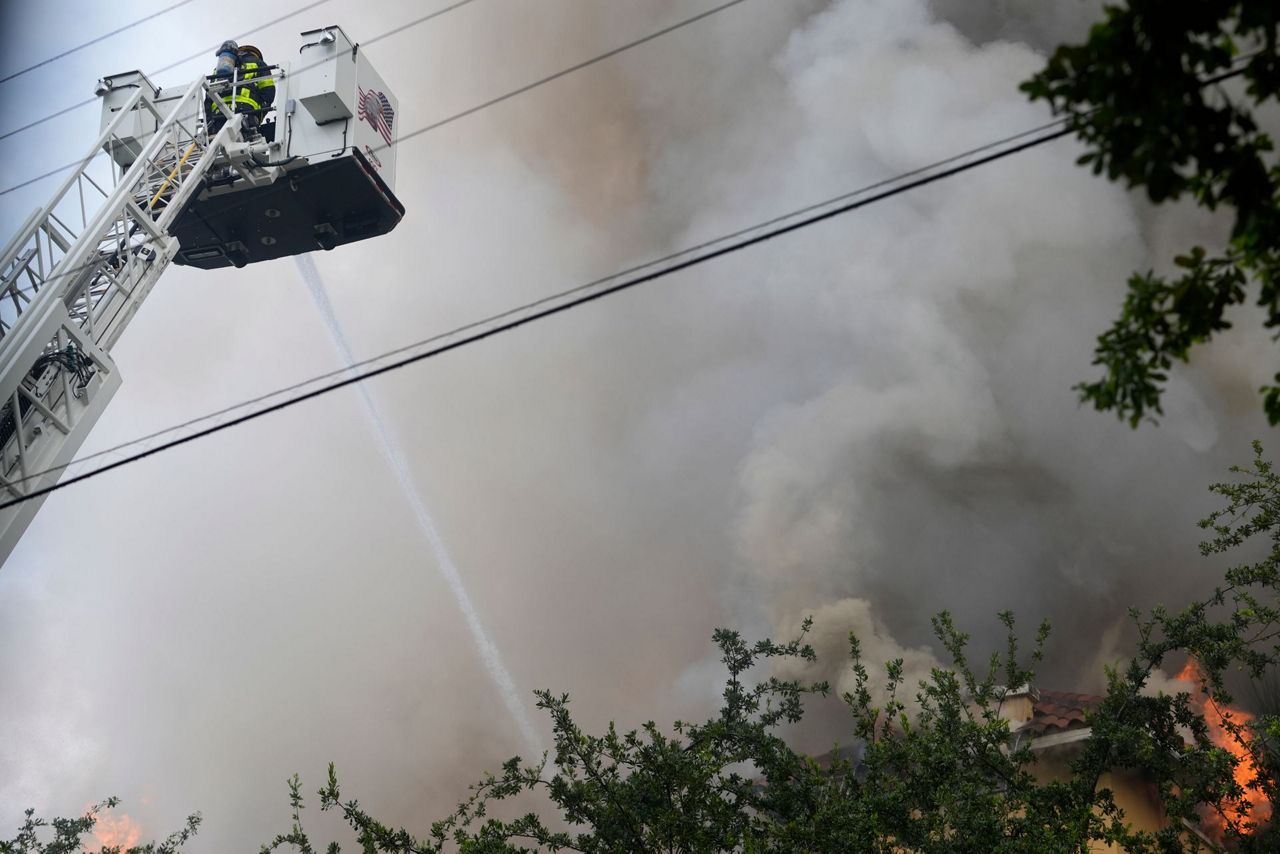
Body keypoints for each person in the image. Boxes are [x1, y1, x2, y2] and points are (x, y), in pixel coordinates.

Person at [206, 41, 276, 138]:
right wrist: (259, 115)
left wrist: (209, 121)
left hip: (218, 116)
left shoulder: (218, 70)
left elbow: (208, 96)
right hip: (246, 115)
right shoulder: (259, 64)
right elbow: (269, 93)